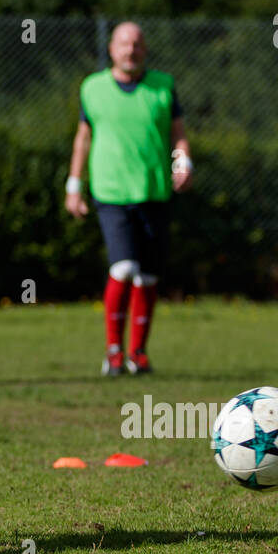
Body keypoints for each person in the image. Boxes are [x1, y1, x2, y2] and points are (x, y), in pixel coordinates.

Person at [64, 21, 192, 376]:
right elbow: (83, 138)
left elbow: (178, 134)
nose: (130, 50)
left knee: (148, 276)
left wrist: (183, 164)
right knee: (123, 267)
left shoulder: (163, 86)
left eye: (136, 44)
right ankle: (114, 351)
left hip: (153, 190)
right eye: (123, 43)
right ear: (111, 49)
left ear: (145, 49)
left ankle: (139, 353)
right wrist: (74, 184)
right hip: (111, 191)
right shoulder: (93, 88)